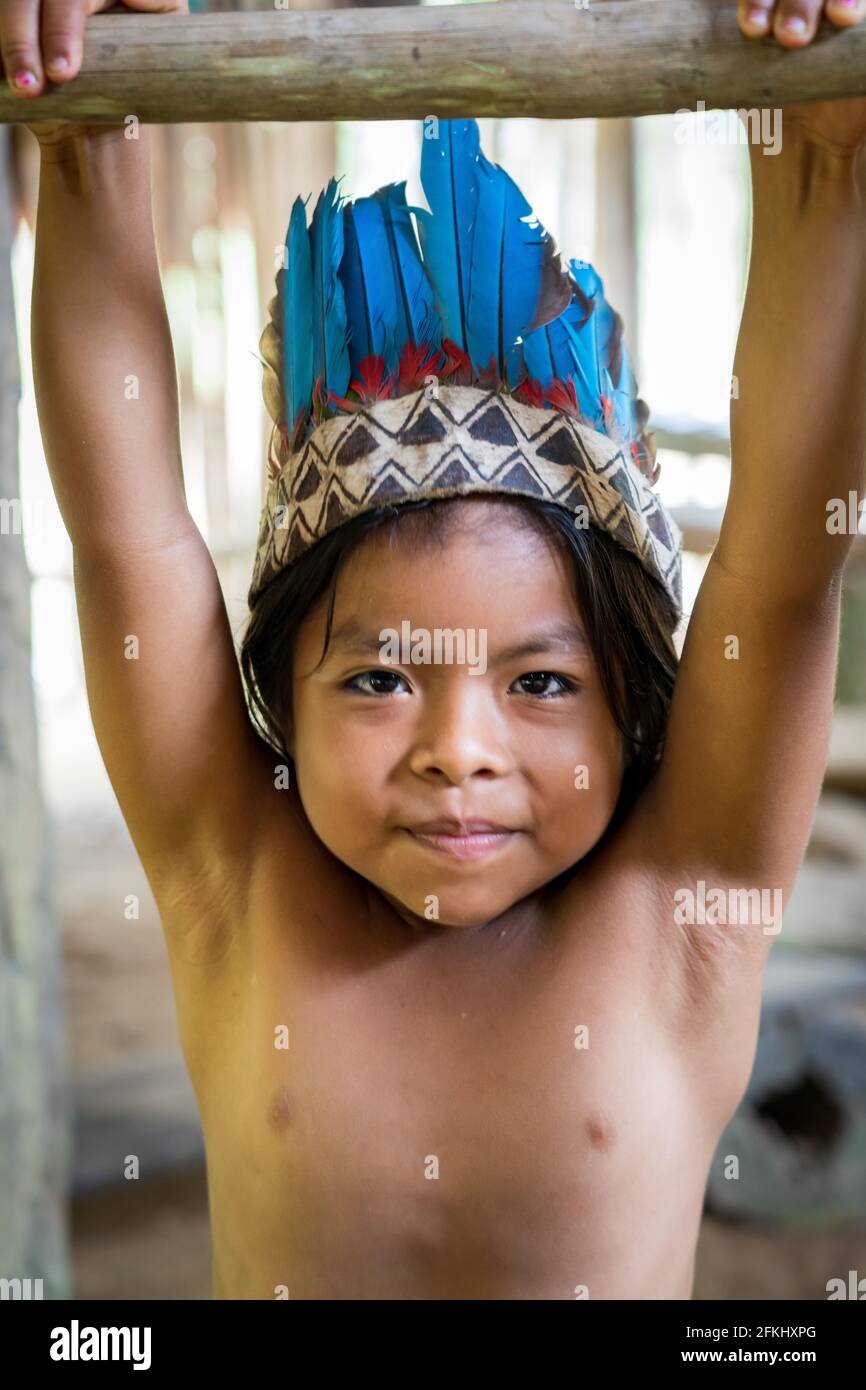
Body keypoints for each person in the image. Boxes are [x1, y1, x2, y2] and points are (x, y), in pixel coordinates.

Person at [10, 0, 866, 1299]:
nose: (455, 753)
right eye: (378, 677)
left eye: (537, 681)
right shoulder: (236, 891)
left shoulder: (682, 917)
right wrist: (84, 117)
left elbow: (786, 571)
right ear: (278, 699)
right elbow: (131, 545)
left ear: (631, 706)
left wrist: (823, 143)